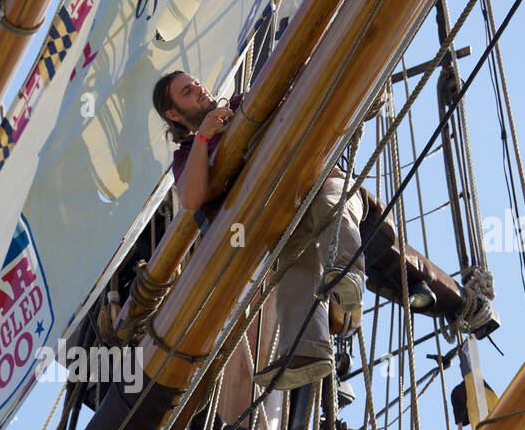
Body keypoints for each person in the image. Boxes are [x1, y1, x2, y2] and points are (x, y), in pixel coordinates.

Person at [153, 70, 367, 390]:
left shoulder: (245, 103)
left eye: (197, 81)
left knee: (330, 204)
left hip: (320, 182)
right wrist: (203, 138)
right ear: (173, 114)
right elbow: (193, 197)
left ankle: (347, 272)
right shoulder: (187, 155)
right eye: (186, 91)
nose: (198, 87)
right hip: (281, 214)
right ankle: (307, 351)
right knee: (295, 262)